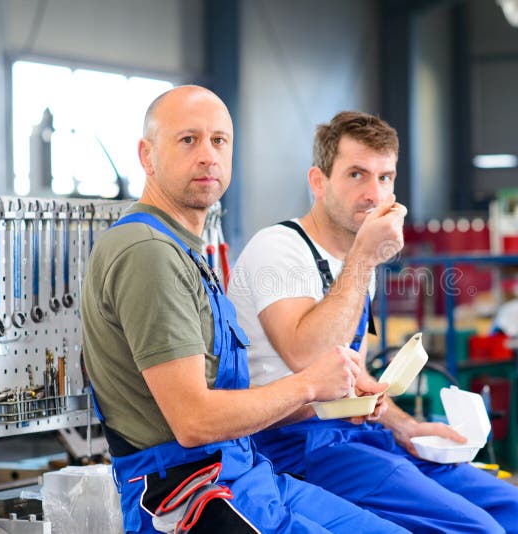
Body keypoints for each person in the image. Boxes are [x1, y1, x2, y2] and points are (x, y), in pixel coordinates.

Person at [81, 87, 407, 534]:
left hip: (242, 471)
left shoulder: (188, 252)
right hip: (189, 495)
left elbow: (231, 402)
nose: (208, 156)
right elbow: (194, 422)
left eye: (219, 141)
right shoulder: (148, 252)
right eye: (187, 140)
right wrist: (309, 384)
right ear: (147, 154)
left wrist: (328, 396)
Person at [228, 111, 518, 534]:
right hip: (296, 446)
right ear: (318, 181)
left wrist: (407, 427)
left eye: (385, 178)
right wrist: (364, 257)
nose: (373, 193)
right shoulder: (280, 249)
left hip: (358, 439)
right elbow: (306, 355)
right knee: (481, 530)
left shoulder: (357, 262)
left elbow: (352, 372)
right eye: (357, 175)